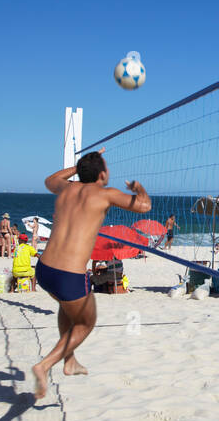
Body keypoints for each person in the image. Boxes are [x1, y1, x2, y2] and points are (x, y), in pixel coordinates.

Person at [31, 150, 150, 398]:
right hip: (68, 276)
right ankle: (44, 366)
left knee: (67, 307)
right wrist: (139, 188)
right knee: (86, 322)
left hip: (44, 271)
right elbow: (144, 206)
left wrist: (79, 166)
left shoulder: (65, 189)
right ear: (102, 174)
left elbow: (49, 179)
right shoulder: (106, 194)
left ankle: (70, 361)